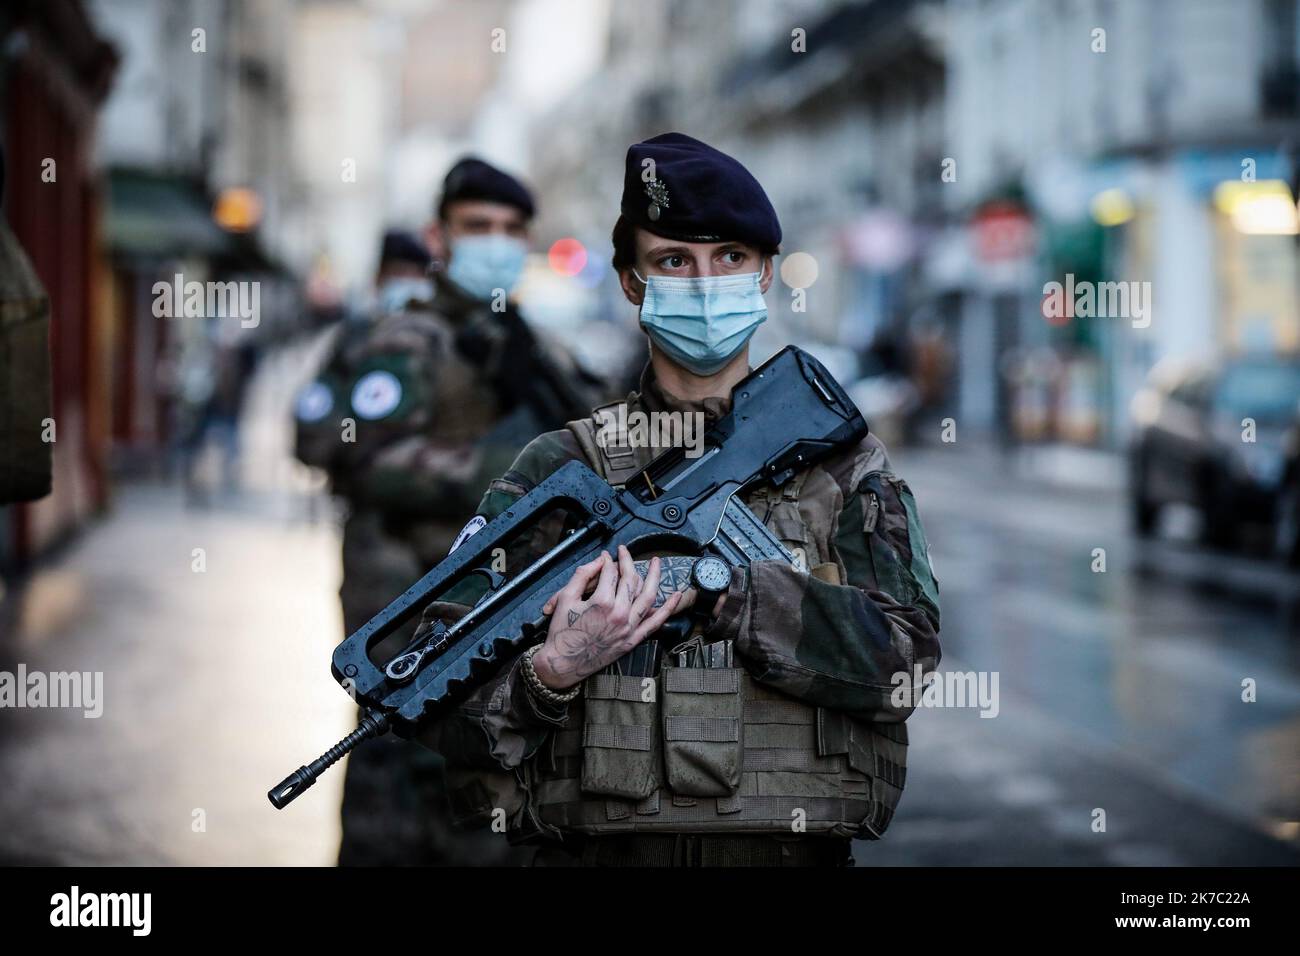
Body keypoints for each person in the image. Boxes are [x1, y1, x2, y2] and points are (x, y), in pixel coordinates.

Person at [413, 133, 943, 867]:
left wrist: (724, 589)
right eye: (672, 261)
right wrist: (551, 672)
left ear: (763, 275)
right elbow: (443, 694)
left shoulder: (842, 466)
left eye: (728, 258)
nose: (702, 283)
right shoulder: (560, 469)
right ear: (632, 283)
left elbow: (906, 665)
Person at [294, 159, 602, 866]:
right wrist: (522, 473)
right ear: (440, 236)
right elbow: (369, 460)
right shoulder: (404, 341)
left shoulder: (534, 344)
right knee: (395, 790)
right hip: (411, 602)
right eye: (477, 228)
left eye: (511, 230)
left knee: (491, 791)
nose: (496, 243)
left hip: (510, 617)